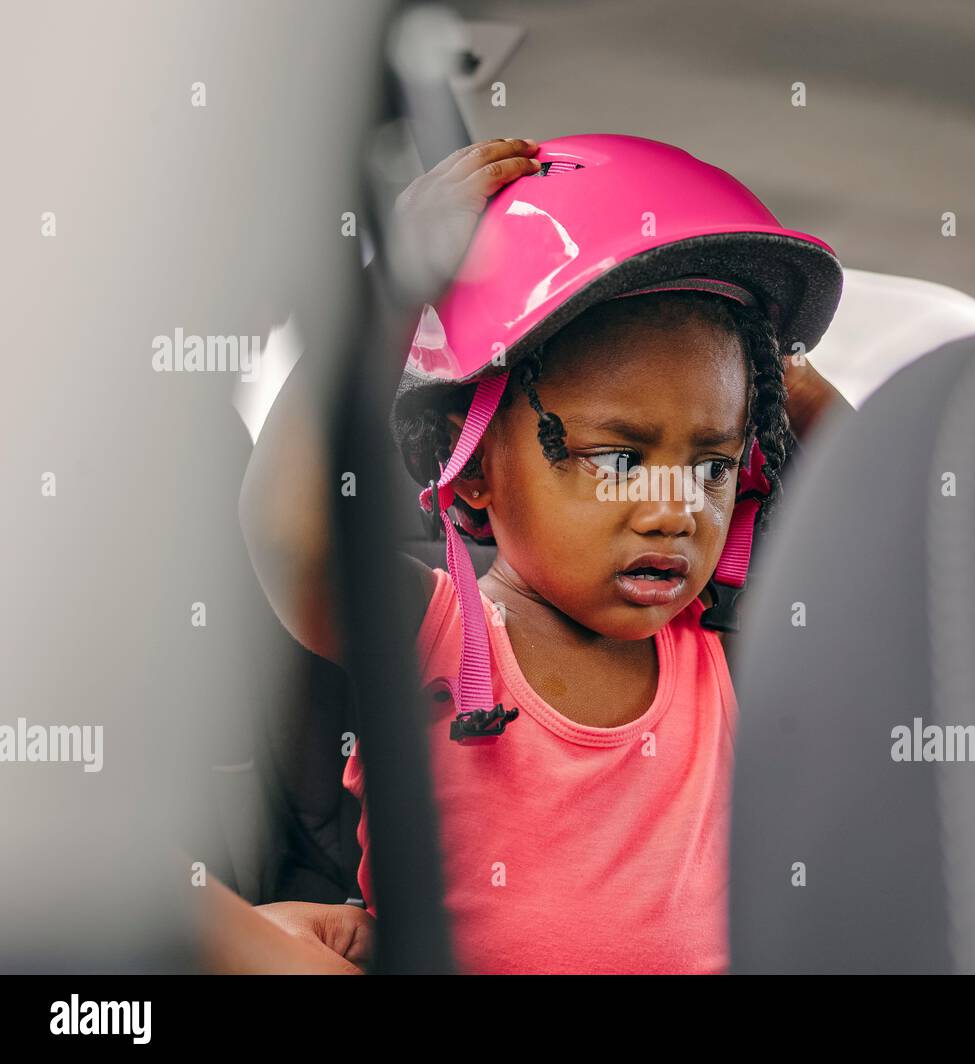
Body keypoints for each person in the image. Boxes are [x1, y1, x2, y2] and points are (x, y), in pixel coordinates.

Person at [238, 135, 846, 973]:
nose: (673, 509)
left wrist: (788, 379)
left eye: (712, 465)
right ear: (477, 467)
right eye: (616, 459)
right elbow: (291, 534)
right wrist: (388, 296)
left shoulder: (725, 676)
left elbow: (904, 563)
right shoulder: (439, 637)